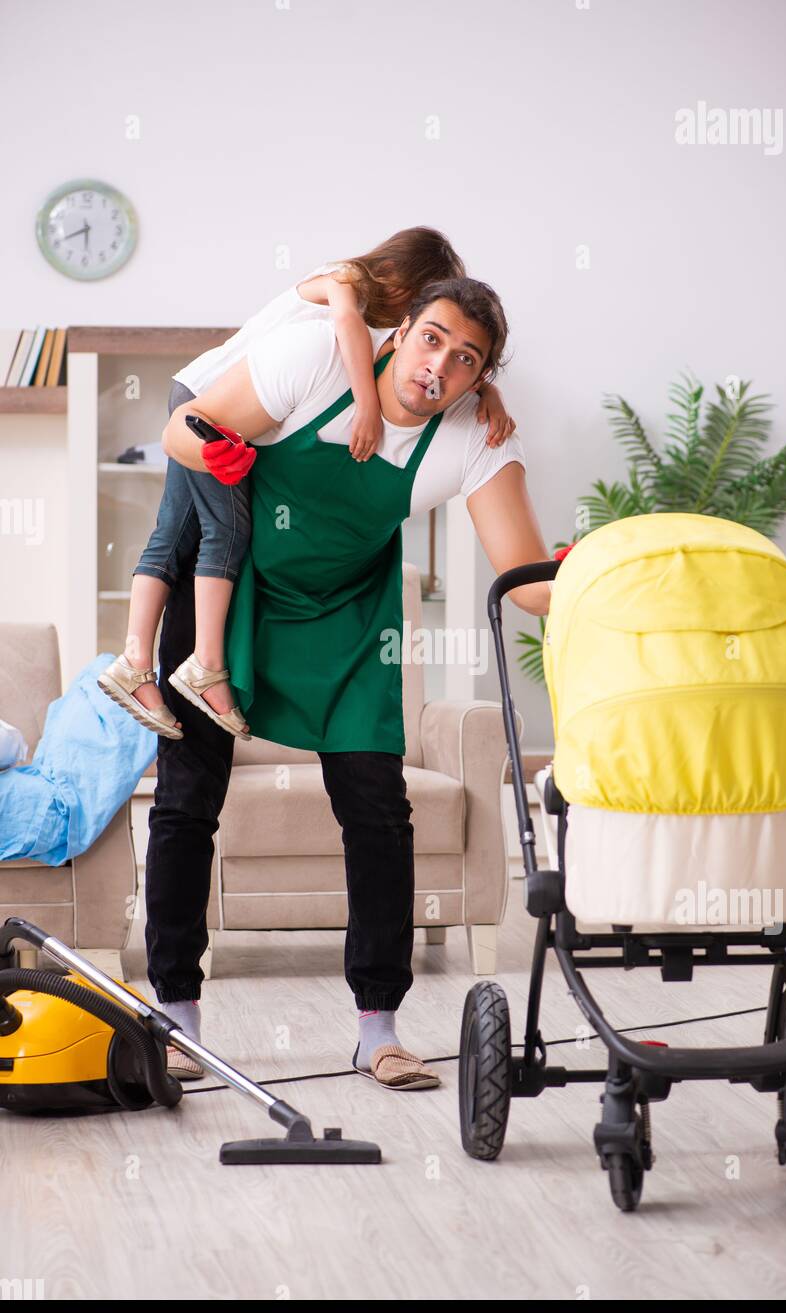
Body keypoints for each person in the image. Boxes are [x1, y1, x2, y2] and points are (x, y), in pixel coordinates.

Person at [150, 276, 551, 1084]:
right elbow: (180, 430)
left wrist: (616, 573)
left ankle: (379, 1028)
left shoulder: (472, 437)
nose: (440, 364)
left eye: (465, 359)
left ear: (479, 380)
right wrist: (221, 447)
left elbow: (531, 581)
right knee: (187, 800)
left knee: (378, 811)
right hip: (233, 588)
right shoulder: (312, 361)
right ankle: (175, 1017)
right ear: (398, 331)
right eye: (432, 338)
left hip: (348, 619)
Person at [97, 228, 516, 743]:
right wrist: (366, 403)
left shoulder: (376, 323)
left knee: (174, 536)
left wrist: (485, 392)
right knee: (222, 534)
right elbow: (350, 328)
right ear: (405, 289)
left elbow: (440, 357)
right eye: (428, 323)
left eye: (466, 356)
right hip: (205, 405)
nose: (439, 352)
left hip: (211, 399)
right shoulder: (343, 287)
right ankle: (197, 663)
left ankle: (136, 661)